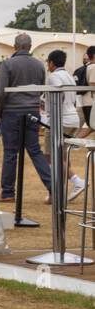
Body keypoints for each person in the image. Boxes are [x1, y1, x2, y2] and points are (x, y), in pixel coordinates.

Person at [0, 32, 53, 204]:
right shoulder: (38, 65)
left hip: (11, 113)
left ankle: (7, 192)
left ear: (15, 46)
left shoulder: (8, 64)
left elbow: (0, 92)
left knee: (10, 152)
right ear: (29, 47)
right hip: (32, 112)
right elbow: (42, 88)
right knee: (35, 150)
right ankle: (53, 186)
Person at [43, 49, 89, 201]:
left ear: (51, 63)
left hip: (59, 120)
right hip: (72, 118)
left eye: (47, 63)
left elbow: (59, 95)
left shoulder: (54, 76)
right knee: (61, 156)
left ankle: (76, 181)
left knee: (51, 157)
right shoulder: (69, 75)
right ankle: (57, 193)